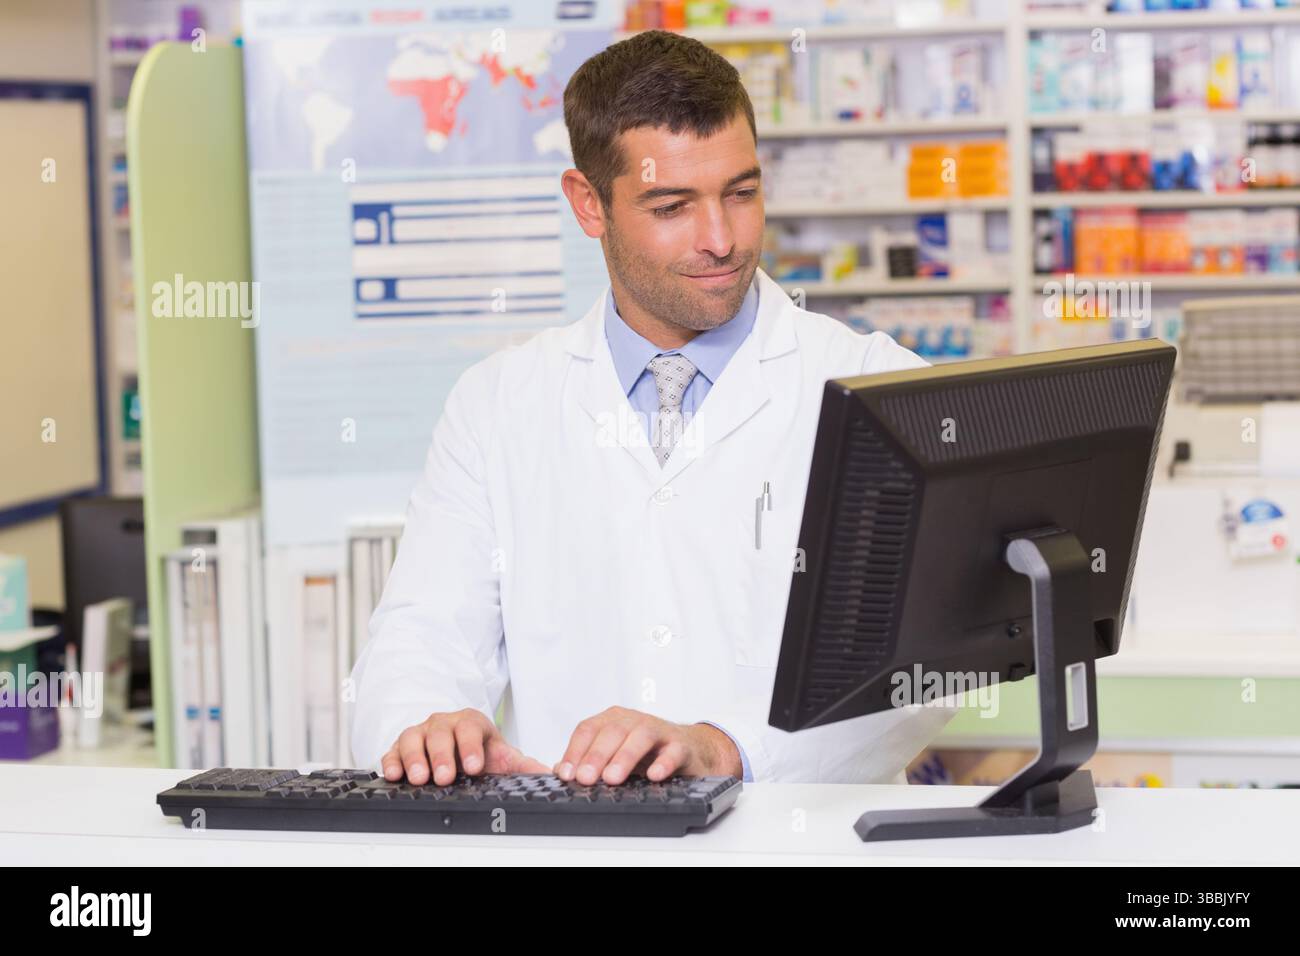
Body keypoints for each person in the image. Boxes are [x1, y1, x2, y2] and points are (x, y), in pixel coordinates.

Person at [349, 30, 956, 787]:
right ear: (588, 204)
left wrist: (728, 749)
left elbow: (926, 667)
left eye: (742, 192)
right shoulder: (498, 404)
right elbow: (421, 635)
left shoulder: (874, 386)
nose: (722, 240)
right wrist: (429, 730)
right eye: (671, 205)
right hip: (579, 844)